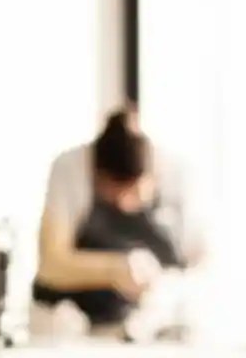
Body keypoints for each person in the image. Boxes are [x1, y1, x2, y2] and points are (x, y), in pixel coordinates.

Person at [32, 108, 210, 338]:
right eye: (114, 193)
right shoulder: (70, 169)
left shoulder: (179, 177)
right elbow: (50, 265)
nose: (124, 204)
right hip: (75, 330)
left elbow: (203, 266)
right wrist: (115, 269)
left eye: (133, 192)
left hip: (151, 330)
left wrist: (164, 288)